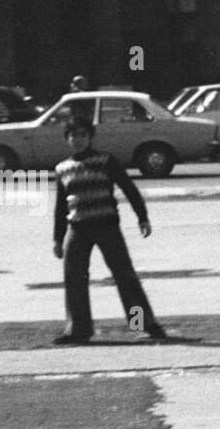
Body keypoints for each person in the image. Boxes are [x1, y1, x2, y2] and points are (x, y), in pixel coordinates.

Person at [52, 117, 169, 344]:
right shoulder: (62, 168)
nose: (78, 140)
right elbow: (60, 207)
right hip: (77, 229)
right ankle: (78, 330)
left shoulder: (106, 160)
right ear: (67, 139)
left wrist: (142, 217)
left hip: (106, 226)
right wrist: (58, 239)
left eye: (82, 135)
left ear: (90, 137)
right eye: (73, 136)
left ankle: (143, 324)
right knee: (74, 278)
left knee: (124, 276)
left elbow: (128, 188)